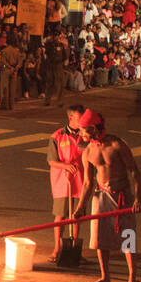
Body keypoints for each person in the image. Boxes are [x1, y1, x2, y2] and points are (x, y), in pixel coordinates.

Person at [75, 110, 141, 282]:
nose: (81, 135)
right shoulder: (88, 151)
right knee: (100, 239)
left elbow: (135, 172)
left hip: (123, 196)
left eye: (84, 131)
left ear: (95, 129)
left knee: (128, 239)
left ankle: (132, 281)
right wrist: (80, 207)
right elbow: (88, 183)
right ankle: (105, 277)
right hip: (101, 196)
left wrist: (138, 198)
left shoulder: (117, 145)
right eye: (81, 131)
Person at [46, 104, 86, 264]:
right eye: (79, 118)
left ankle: (75, 250)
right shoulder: (57, 136)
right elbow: (51, 161)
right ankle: (57, 248)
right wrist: (65, 166)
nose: (82, 121)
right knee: (60, 216)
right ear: (71, 118)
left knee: (76, 216)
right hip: (62, 182)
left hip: (81, 180)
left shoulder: (85, 136)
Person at [0, 32, 21, 110]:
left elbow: (3, 62)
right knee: (12, 89)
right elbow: (20, 62)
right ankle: (11, 105)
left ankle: (4, 105)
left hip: (6, 70)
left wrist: (8, 67)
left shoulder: (4, 51)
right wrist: (16, 68)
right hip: (14, 71)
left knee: (5, 88)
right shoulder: (16, 51)